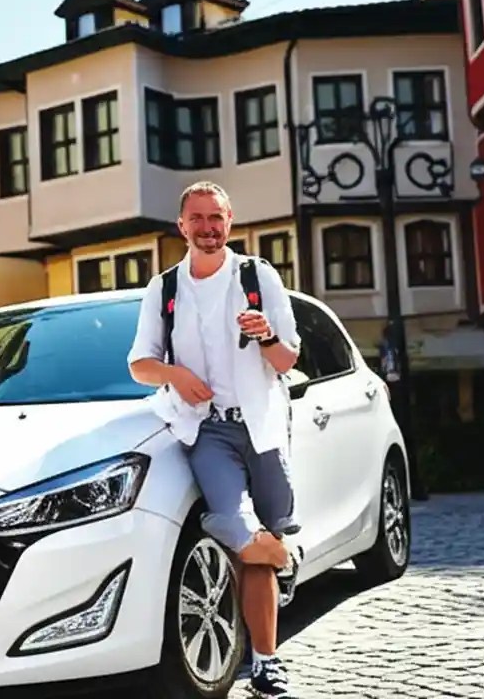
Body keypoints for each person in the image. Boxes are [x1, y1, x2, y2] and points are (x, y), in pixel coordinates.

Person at [127, 181, 303, 698]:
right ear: (180, 226)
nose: (207, 228)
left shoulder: (257, 276)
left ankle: (266, 662)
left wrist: (266, 333)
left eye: (216, 218)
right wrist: (174, 376)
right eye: (197, 218)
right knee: (237, 529)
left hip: (263, 426)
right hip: (208, 430)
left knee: (266, 534)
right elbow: (139, 364)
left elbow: (289, 360)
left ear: (230, 223)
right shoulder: (164, 289)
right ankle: (283, 569)